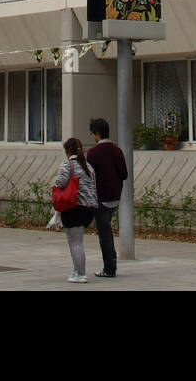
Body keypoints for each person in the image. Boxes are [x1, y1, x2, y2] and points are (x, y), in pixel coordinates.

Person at [87, 117, 128, 278]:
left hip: (100, 197)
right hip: (116, 197)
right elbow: (124, 174)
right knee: (107, 229)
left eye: (92, 133)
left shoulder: (93, 153)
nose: (92, 136)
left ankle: (109, 268)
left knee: (104, 233)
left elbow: (88, 176)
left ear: (97, 134)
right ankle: (110, 265)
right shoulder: (117, 151)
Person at [52, 137, 98, 283]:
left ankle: (81, 273)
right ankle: (76, 270)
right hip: (90, 208)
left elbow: (60, 182)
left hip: (74, 207)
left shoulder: (67, 164)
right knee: (77, 240)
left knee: (75, 242)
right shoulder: (88, 166)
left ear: (67, 151)